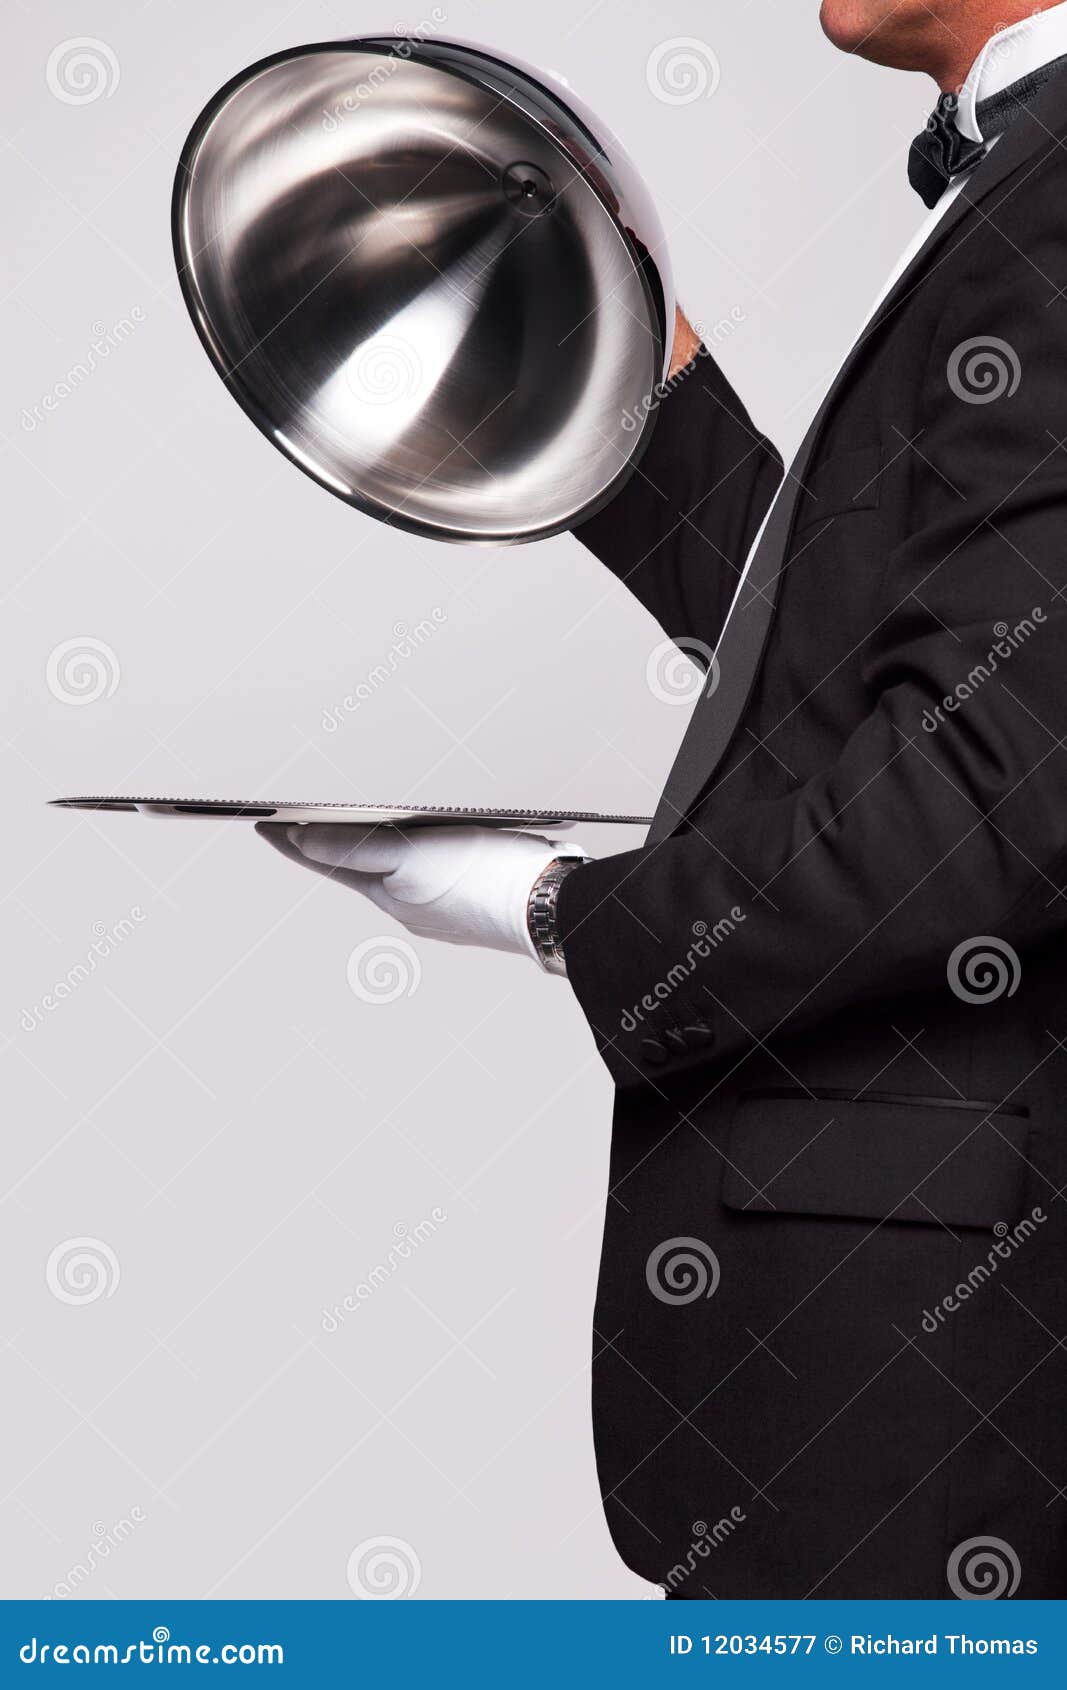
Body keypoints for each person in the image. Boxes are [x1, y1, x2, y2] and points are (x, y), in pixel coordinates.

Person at [261, 1, 1067, 1598]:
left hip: (938, 1388)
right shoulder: (1027, 179)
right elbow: (900, 672)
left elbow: (988, 794)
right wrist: (626, 393)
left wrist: (558, 911)